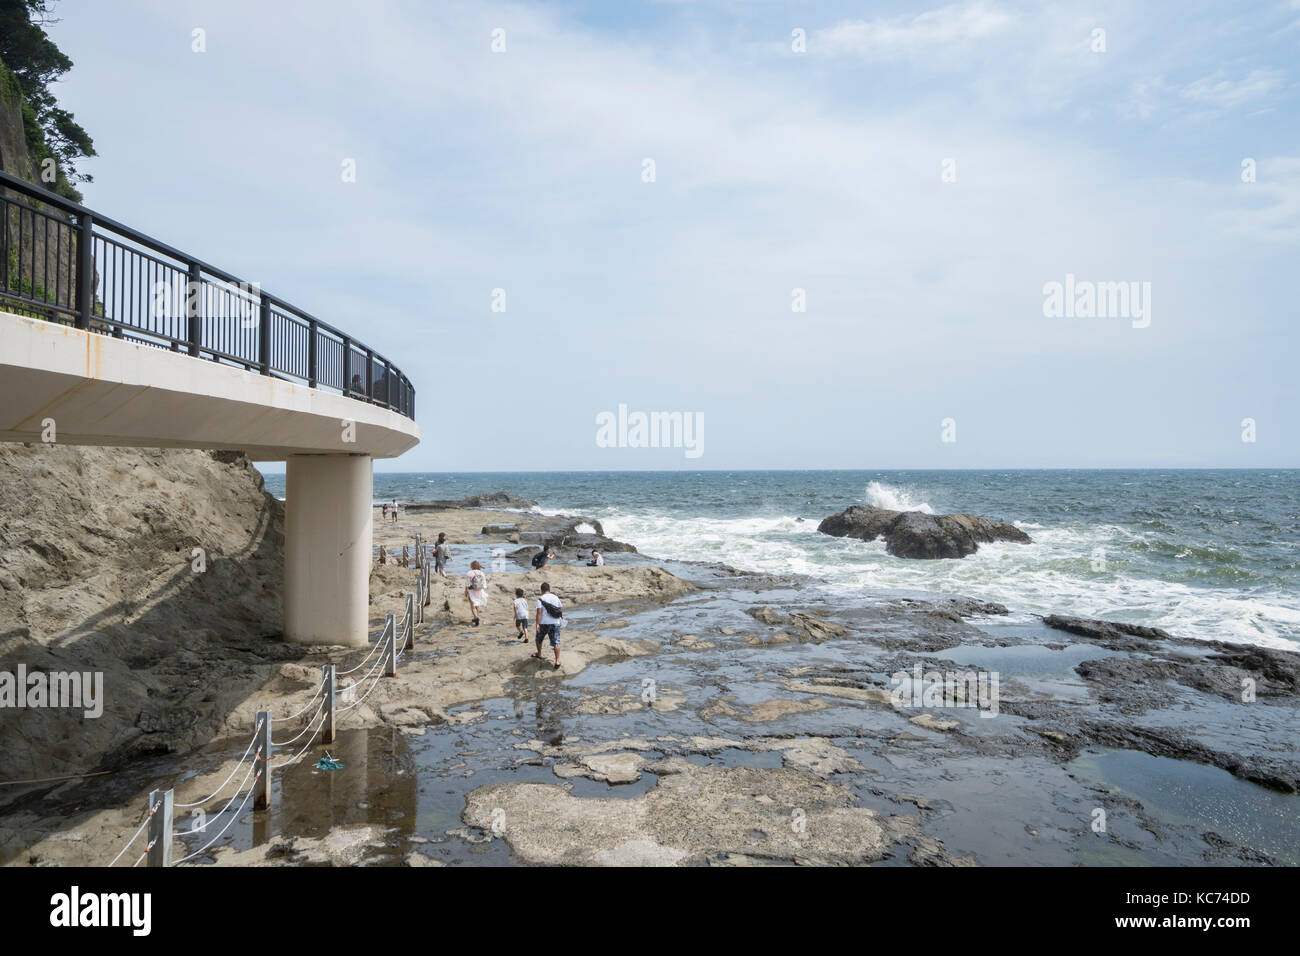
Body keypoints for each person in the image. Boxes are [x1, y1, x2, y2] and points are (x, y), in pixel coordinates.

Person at [532, 582, 564, 670]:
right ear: (549, 589)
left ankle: (539, 654)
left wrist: (537, 624)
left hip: (543, 623)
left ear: (541, 590)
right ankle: (557, 661)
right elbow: (559, 609)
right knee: (556, 642)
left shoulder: (541, 599)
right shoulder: (555, 597)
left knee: (539, 638)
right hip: (555, 622)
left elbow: (539, 613)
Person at [465, 560, 488, 626]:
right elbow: (484, 584)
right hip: (480, 591)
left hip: (472, 591)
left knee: (472, 606)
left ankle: (476, 617)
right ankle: (476, 617)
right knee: (477, 604)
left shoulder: (469, 573)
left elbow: (467, 584)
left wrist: (466, 591)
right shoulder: (481, 573)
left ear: (472, 566)